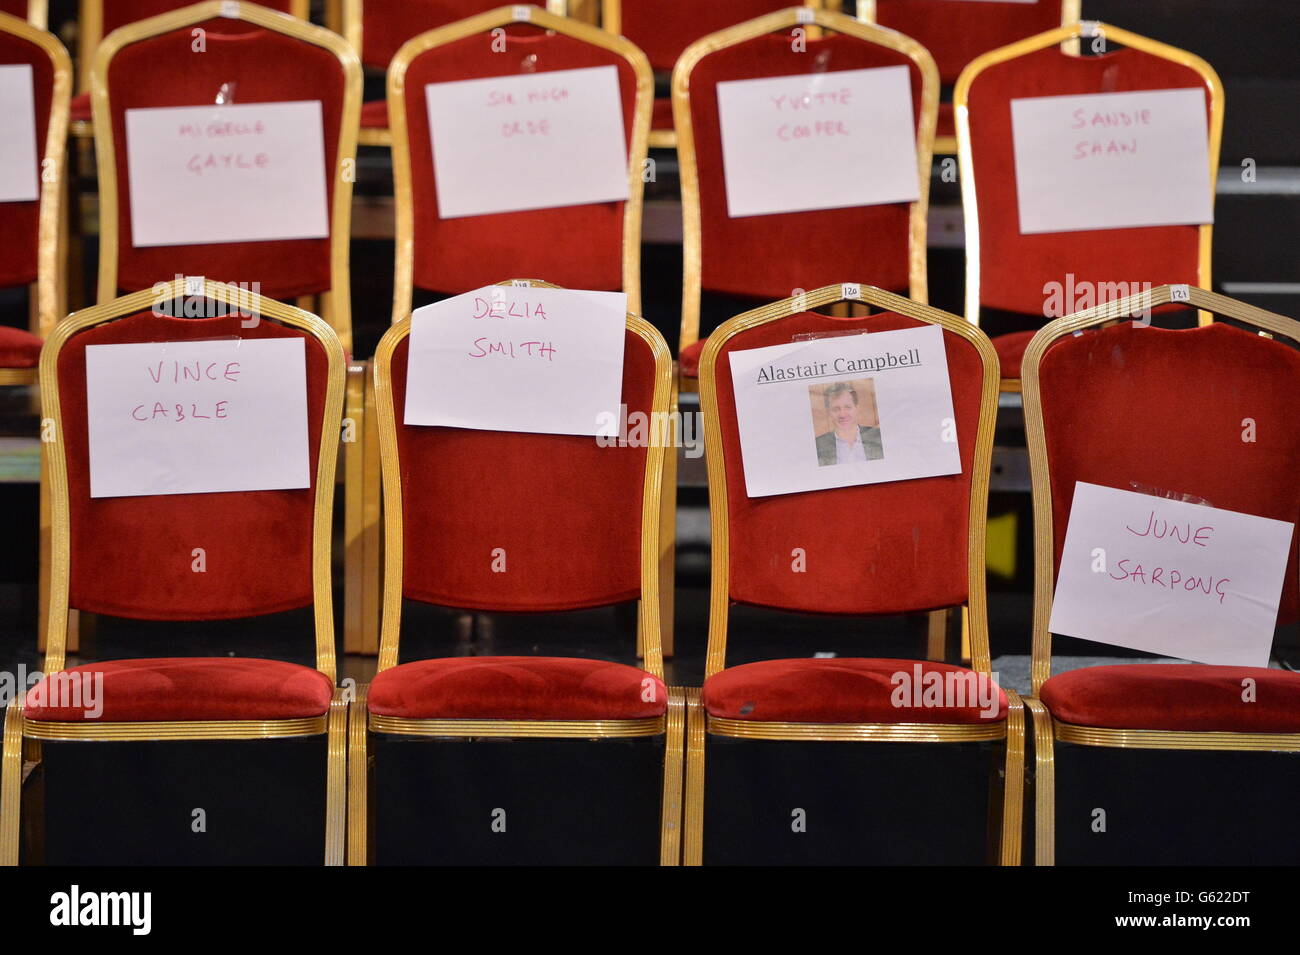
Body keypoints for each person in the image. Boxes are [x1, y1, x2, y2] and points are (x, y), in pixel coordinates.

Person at [815, 381, 883, 466]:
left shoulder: (879, 436)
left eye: (848, 407)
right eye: (836, 409)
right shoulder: (817, 446)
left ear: (856, 408)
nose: (842, 414)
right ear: (829, 413)